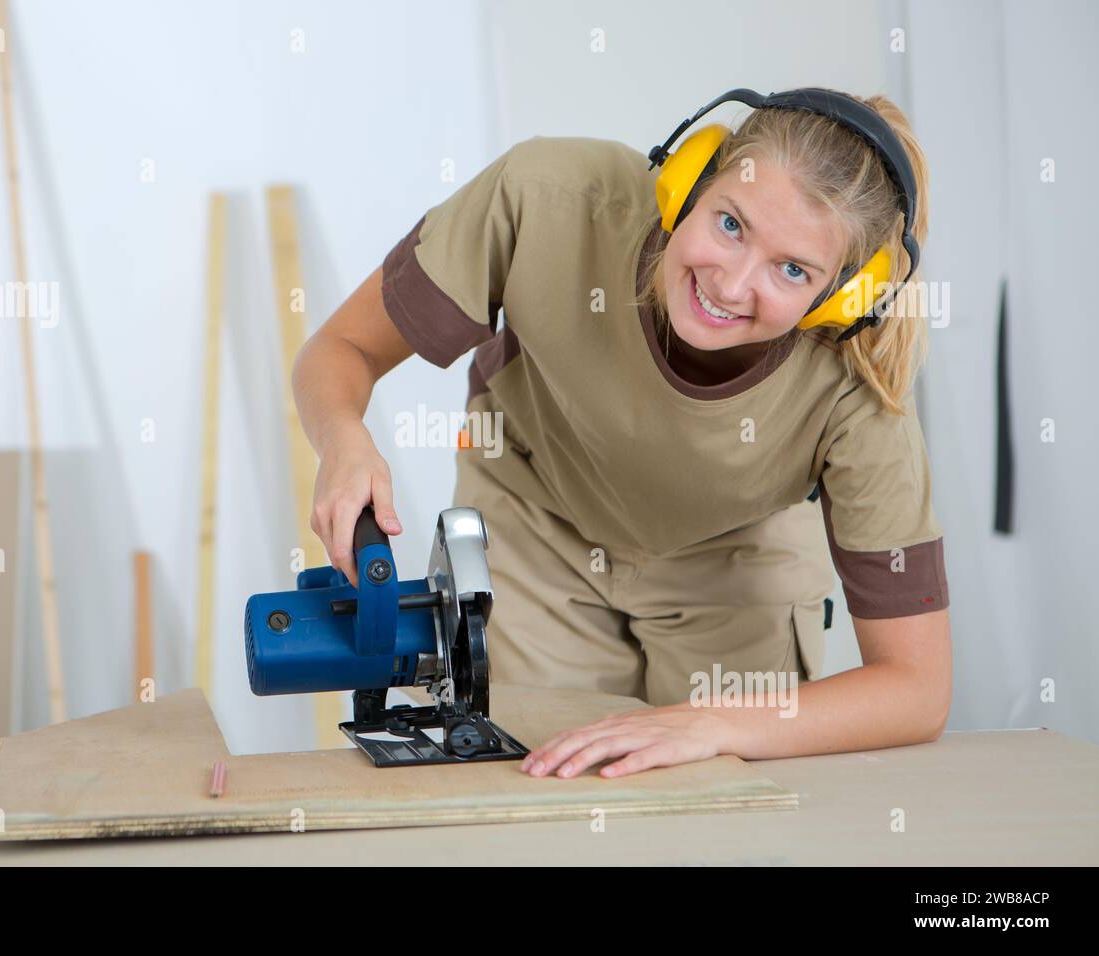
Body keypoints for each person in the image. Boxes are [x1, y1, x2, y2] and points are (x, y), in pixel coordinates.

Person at [293, 87, 950, 780]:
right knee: (527, 779)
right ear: (689, 179)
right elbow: (343, 348)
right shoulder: (547, 200)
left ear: (842, 296)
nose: (731, 284)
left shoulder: (856, 379)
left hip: (734, 553)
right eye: (730, 224)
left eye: (792, 270)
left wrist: (715, 722)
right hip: (538, 510)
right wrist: (343, 440)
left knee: (718, 795)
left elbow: (917, 688)